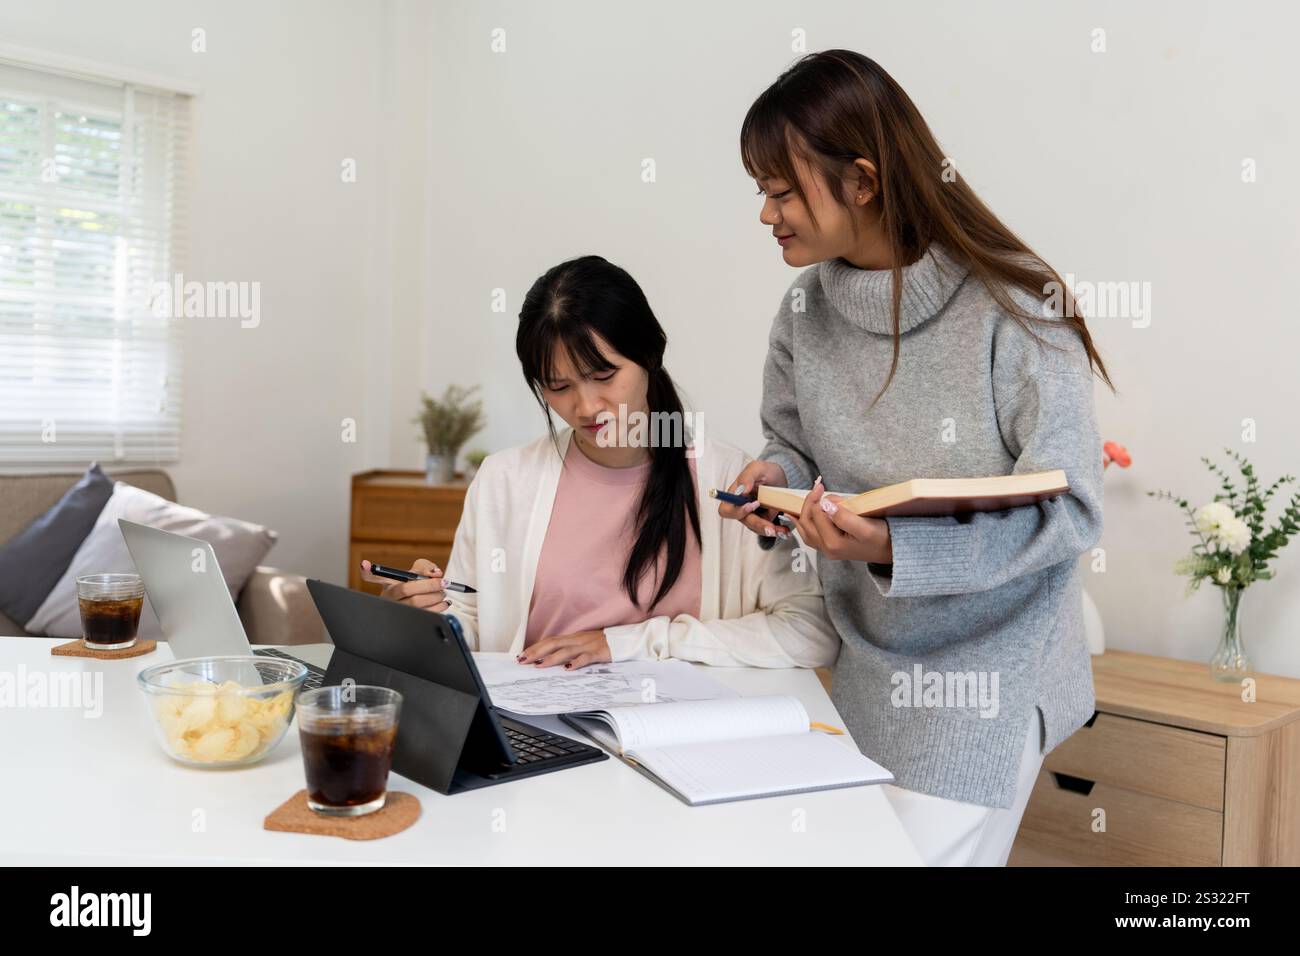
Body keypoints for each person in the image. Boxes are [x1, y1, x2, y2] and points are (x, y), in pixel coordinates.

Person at [720, 50, 1109, 865]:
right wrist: (775, 482)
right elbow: (791, 443)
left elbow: (1072, 511)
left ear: (861, 180)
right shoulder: (804, 309)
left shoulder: (1018, 304)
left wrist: (899, 547)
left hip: (994, 672)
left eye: (782, 190)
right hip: (867, 664)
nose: (766, 213)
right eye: (762, 191)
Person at [364, 254, 839, 672]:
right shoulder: (504, 481)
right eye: (559, 386)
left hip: (679, 744)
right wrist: (425, 621)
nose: (587, 407)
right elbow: (474, 620)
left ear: (650, 353)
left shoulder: (730, 484)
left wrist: (628, 644)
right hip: (543, 735)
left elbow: (809, 633)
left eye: (604, 375)